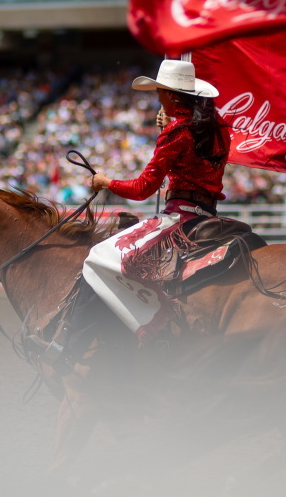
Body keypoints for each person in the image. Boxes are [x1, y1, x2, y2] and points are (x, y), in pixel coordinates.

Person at [27, 59, 230, 366]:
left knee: (96, 257)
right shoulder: (217, 131)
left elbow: (142, 188)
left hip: (180, 219)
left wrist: (106, 182)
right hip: (208, 216)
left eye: (160, 91)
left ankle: (67, 347)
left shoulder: (177, 133)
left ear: (173, 96)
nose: (157, 98)